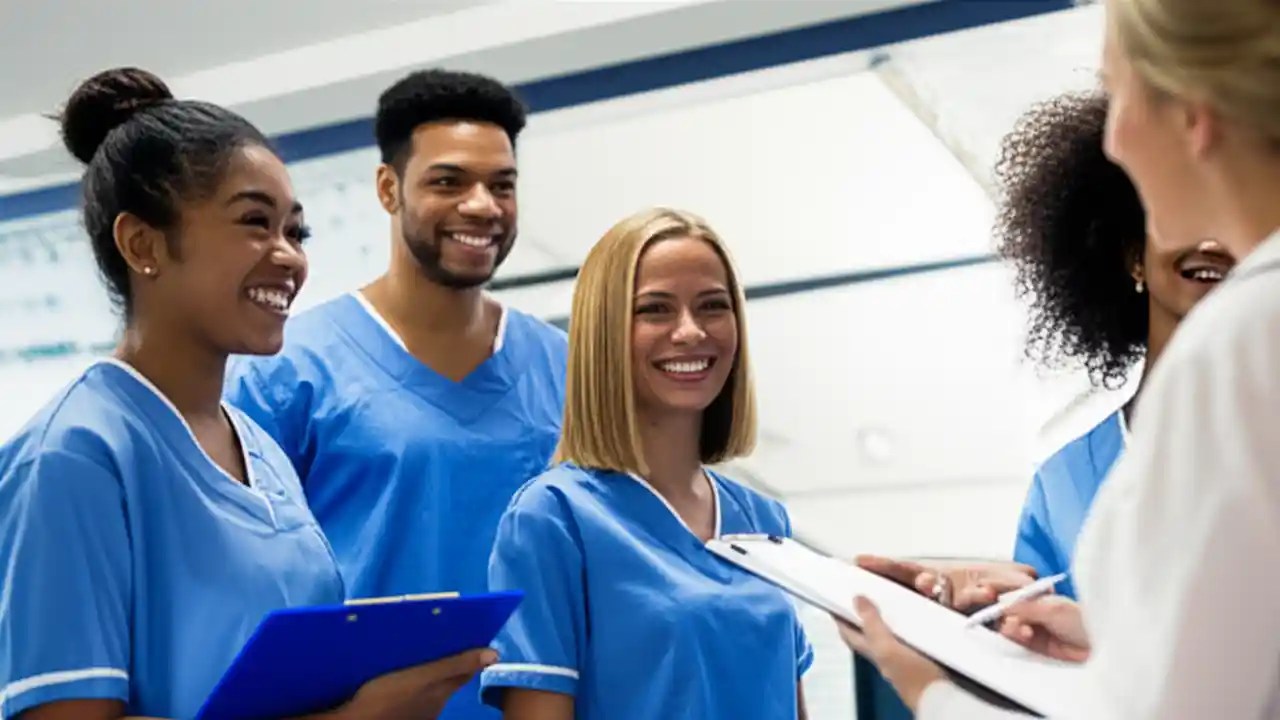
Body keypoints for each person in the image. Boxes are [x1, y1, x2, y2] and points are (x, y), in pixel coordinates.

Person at [0, 68, 493, 720]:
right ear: (142, 243)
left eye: (297, 231)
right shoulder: (76, 456)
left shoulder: (260, 450)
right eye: (256, 223)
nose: (289, 257)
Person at [840, 0, 1280, 716]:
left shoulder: (1238, 351)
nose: (1112, 143)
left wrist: (930, 687)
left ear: (1193, 112)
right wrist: (1102, 638)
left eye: (1120, 92)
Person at [224, 69, 567, 719]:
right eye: (448, 181)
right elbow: (237, 593)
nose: (481, 205)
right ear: (388, 189)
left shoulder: (567, 371)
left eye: (502, 185)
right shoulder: (286, 373)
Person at [479, 208, 813, 720]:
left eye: (712, 306)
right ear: (604, 333)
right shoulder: (554, 519)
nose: (690, 332)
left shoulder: (765, 522)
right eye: (655, 309)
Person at [994, 89, 1233, 598]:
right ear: (1132, 255)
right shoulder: (1062, 486)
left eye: (1234, 214)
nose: (1213, 239)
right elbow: (1032, 660)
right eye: (1182, 206)